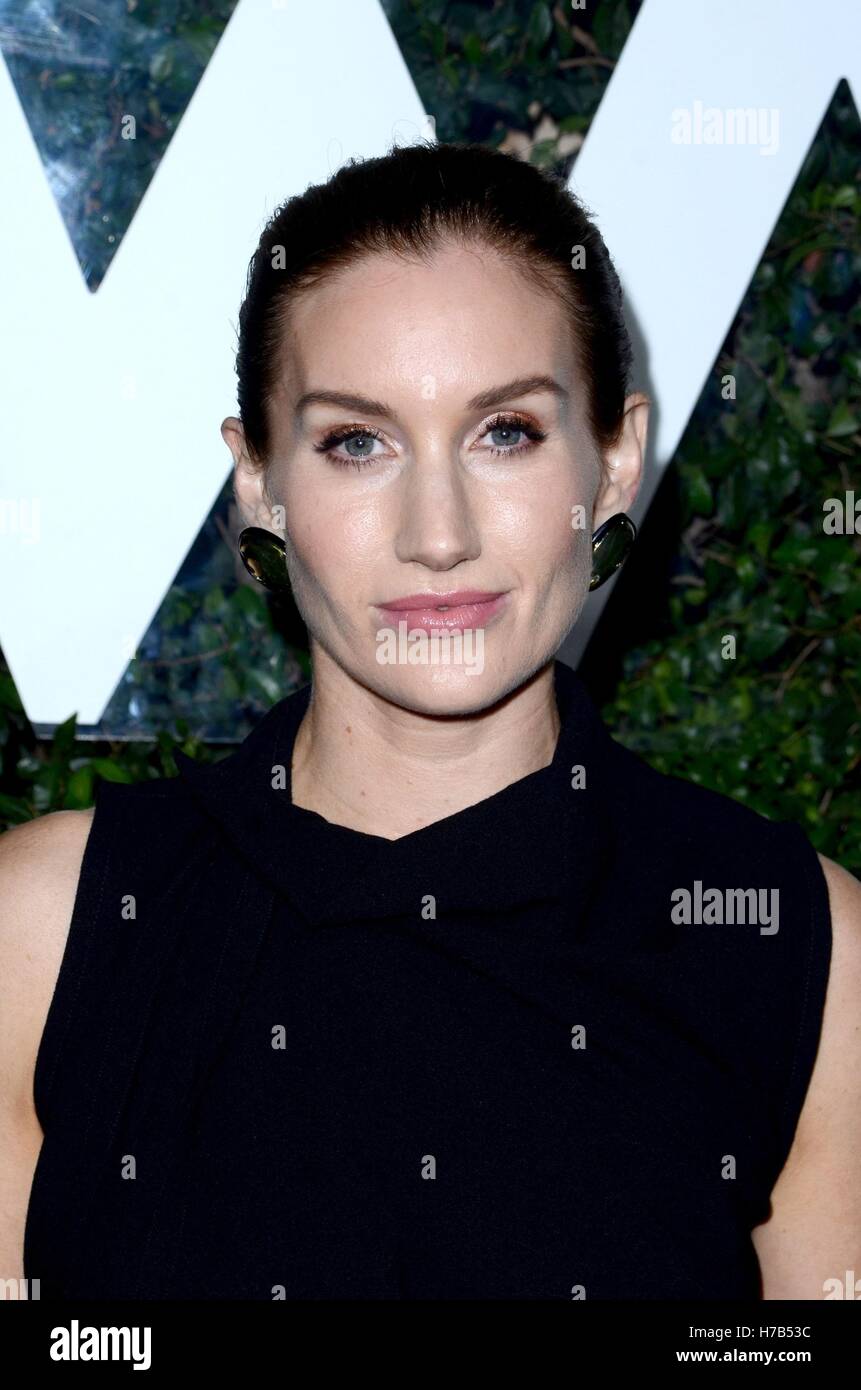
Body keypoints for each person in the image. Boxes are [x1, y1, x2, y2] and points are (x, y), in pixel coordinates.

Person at [1, 141, 859, 1301]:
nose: (438, 531)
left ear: (614, 462)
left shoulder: (801, 948)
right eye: (358, 441)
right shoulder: (43, 935)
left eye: (506, 431)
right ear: (260, 483)